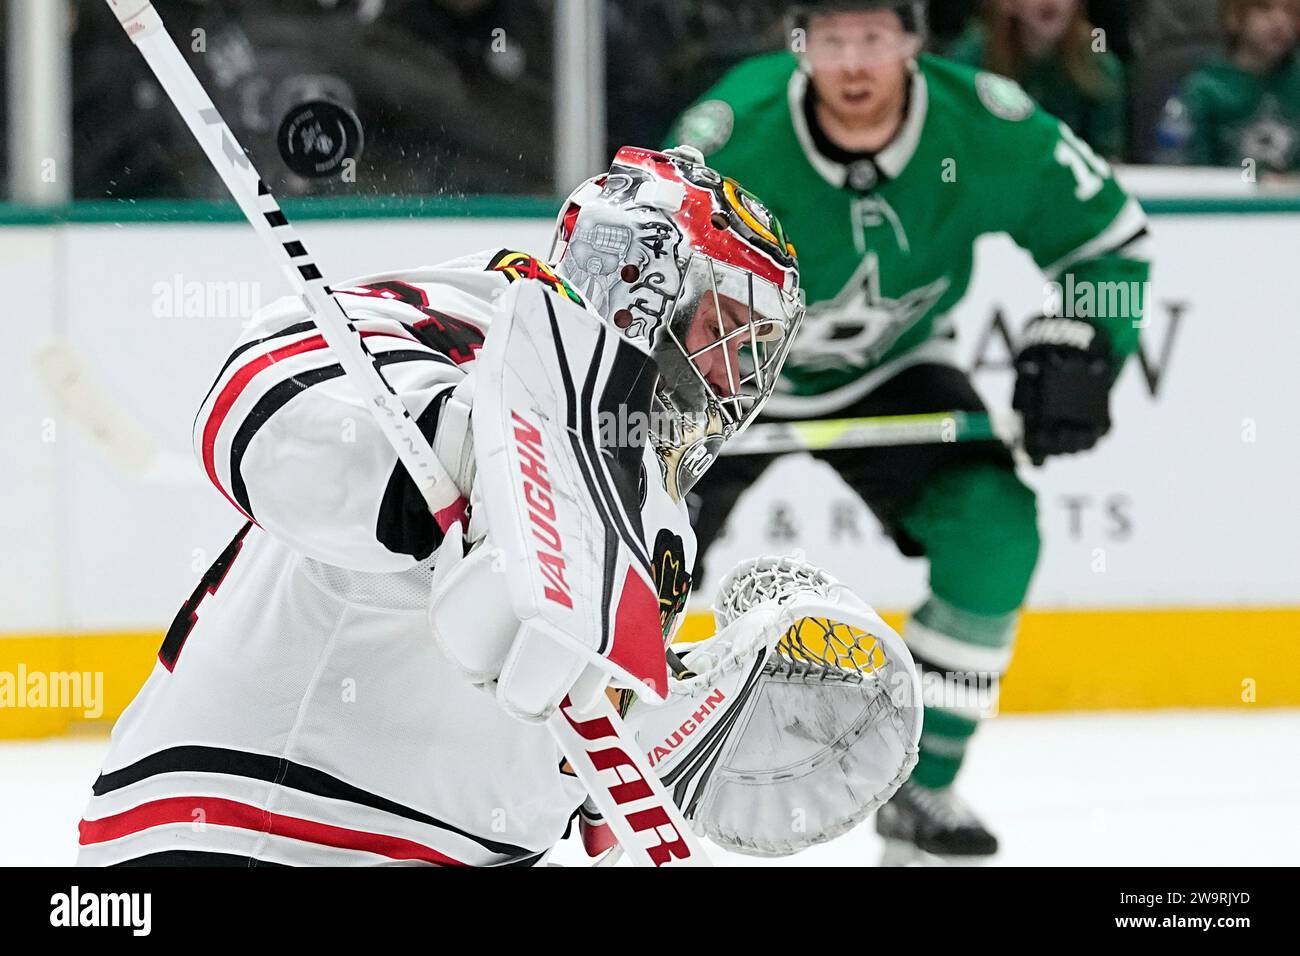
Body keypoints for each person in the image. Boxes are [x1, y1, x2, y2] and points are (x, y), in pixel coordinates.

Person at [73, 146, 918, 866]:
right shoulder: (493, 329)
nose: (737, 378)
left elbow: (574, 762)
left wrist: (685, 717)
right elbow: (256, 397)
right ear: (644, 282)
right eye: (726, 328)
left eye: (755, 351)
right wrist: (464, 456)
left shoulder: (660, 520)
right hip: (256, 824)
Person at [668, 0, 1151, 861]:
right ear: (800, 46)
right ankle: (597, 785)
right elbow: (633, 259)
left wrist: (1087, 333)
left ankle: (922, 787)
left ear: (915, 44)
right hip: (725, 374)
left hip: (887, 371)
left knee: (994, 528)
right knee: (629, 552)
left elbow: (1107, 240)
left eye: (876, 40)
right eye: (834, 41)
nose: (855, 64)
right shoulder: (732, 131)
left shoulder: (987, 127)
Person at [947, 0, 1129, 160]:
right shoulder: (970, 58)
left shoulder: (1098, 65)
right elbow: (954, 142)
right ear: (1006, 2)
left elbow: (1107, 157)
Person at [1167, 0, 1300, 174]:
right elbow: (1189, 170)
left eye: (1291, 12)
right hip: (1224, 197)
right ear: (1234, 16)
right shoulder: (1204, 89)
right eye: (1264, 8)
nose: (1280, 21)